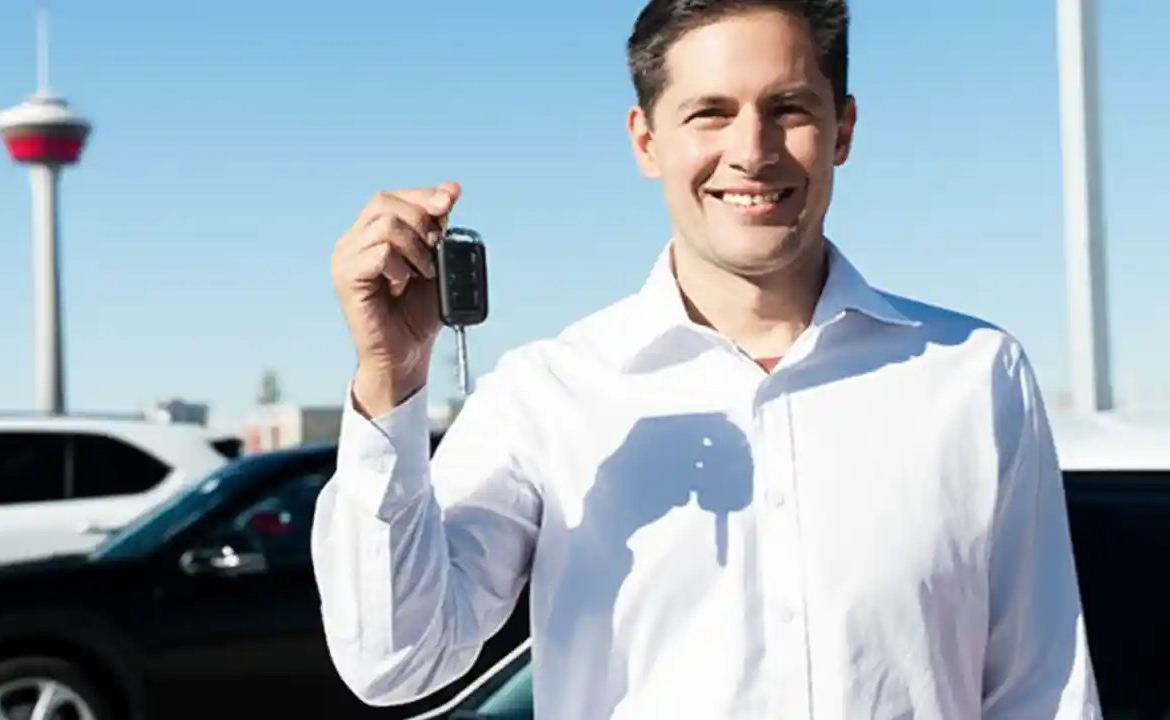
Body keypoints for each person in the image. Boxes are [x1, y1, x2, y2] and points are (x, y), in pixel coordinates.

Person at [313, 0, 1102, 717]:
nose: (751, 151)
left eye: (788, 108)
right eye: (710, 114)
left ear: (843, 131)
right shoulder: (547, 394)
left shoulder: (973, 375)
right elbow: (396, 663)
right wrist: (391, 379)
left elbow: (1043, 690)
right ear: (647, 141)